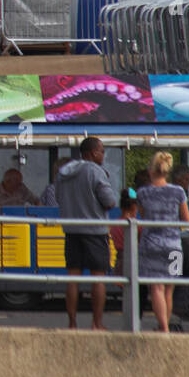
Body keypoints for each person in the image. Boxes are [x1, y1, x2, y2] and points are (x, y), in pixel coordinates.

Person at [55, 137, 118, 330]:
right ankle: (96, 323)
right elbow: (109, 201)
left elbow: (58, 197)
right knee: (98, 278)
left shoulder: (63, 173)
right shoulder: (96, 172)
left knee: (73, 279)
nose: (103, 154)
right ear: (92, 153)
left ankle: (72, 323)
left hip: (71, 230)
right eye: (101, 151)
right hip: (95, 232)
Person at [137, 151, 189, 333]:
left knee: (156, 287)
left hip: (151, 245)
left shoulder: (143, 193)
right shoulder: (178, 191)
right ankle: (164, 326)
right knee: (169, 289)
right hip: (174, 245)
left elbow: (143, 217)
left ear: (151, 170)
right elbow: (186, 220)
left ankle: (163, 327)